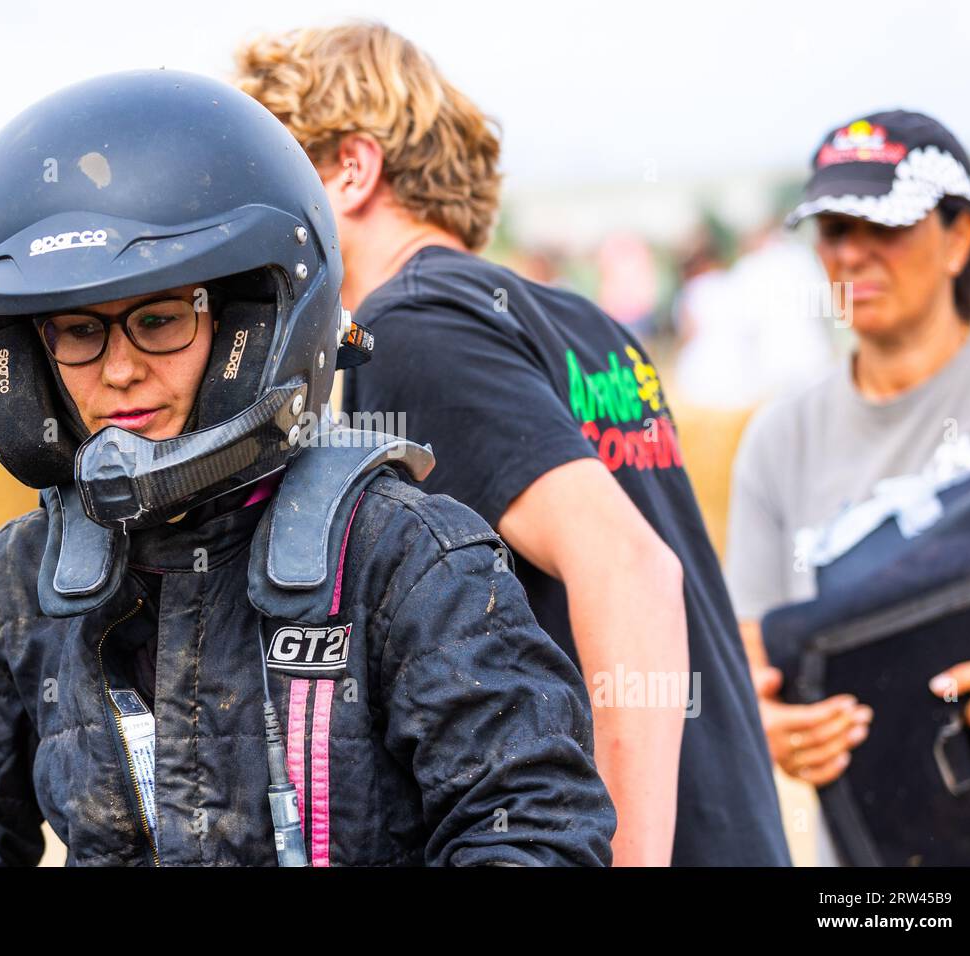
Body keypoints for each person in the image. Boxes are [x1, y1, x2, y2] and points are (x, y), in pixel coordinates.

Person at [0, 69, 616, 867]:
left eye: (159, 320)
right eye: (79, 332)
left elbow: (531, 827)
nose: (117, 370)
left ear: (248, 330)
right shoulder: (19, 584)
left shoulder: (405, 563)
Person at [236, 21, 789, 866]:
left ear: (352, 168)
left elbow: (633, 570)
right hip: (733, 828)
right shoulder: (573, 318)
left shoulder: (411, 328)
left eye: (274, 178)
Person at [725, 109, 970, 864]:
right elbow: (748, 651)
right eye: (835, 230)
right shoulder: (781, 439)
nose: (853, 253)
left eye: (887, 226)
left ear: (960, 239)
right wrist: (767, 725)